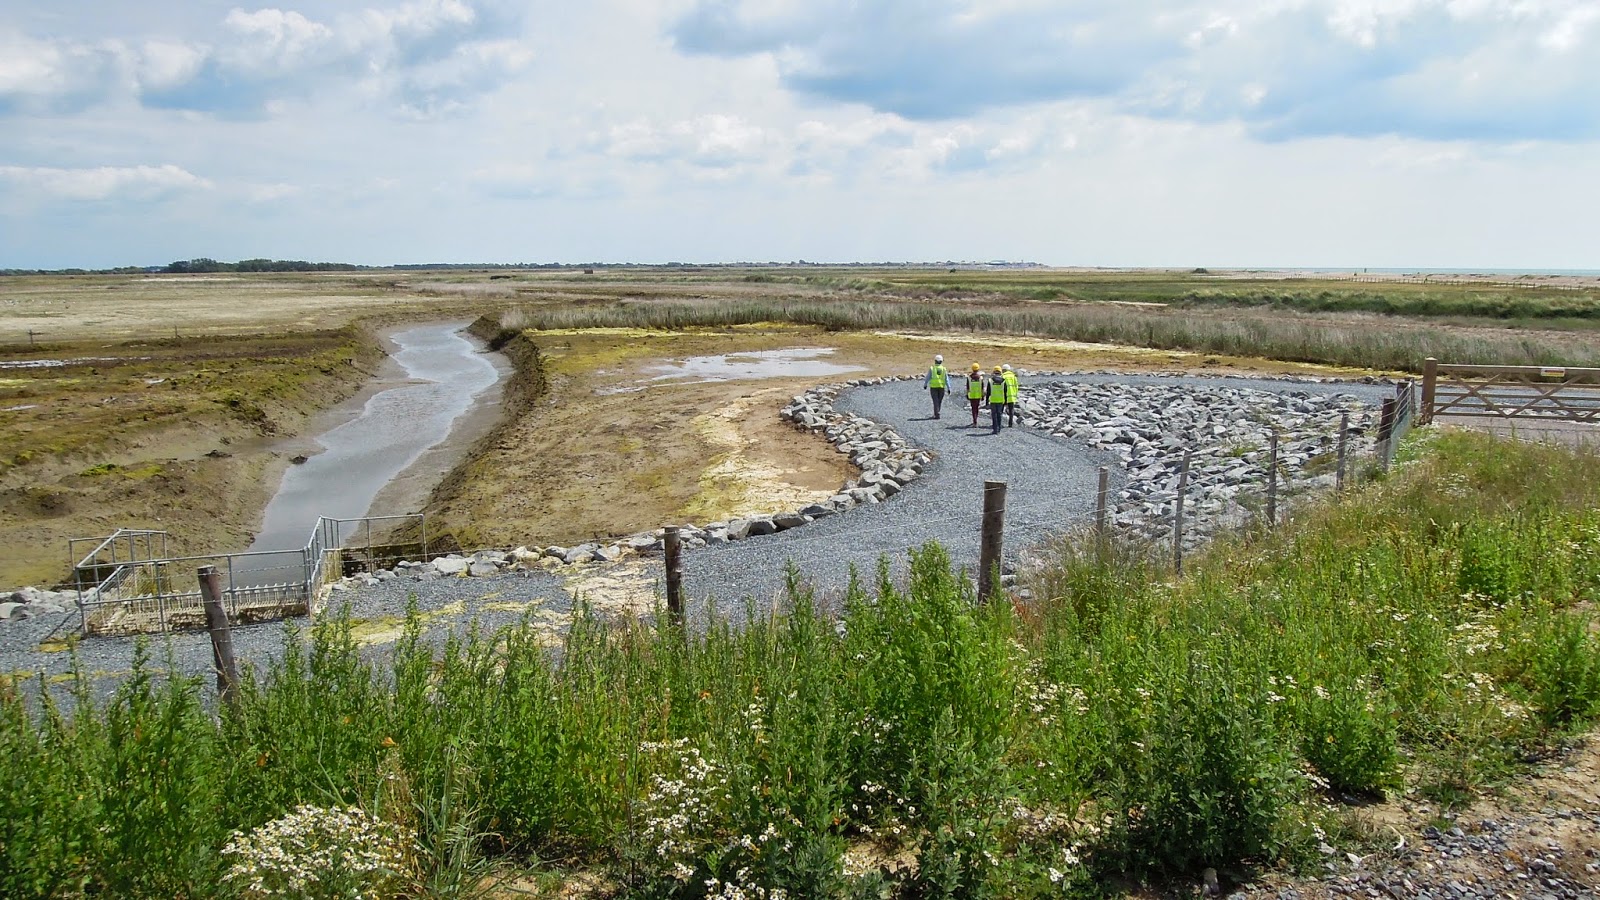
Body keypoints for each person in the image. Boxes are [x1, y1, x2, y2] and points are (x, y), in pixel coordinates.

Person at [923, 354, 948, 419]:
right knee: (939, 401)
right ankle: (937, 412)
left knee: (935, 401)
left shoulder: (932, 368)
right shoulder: (944, 369)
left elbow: (928, 377)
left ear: (935, 361)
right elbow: (946, 379)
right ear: (941, 361)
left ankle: (937, 413)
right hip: (941, 387)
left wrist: (925, 384)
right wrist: (949, 387)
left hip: (933, 387)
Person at [986, 365, 1008, 434]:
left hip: (993, 400)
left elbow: (988, 392)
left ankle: (995, 429)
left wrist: (987, 402)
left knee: (994, 415)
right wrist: (1006, 401)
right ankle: (999, 428)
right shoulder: (1004, 381)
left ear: (994, 371)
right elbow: (1005, 392)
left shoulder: (990, 381)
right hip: (1001, 400)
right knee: (999, 414)